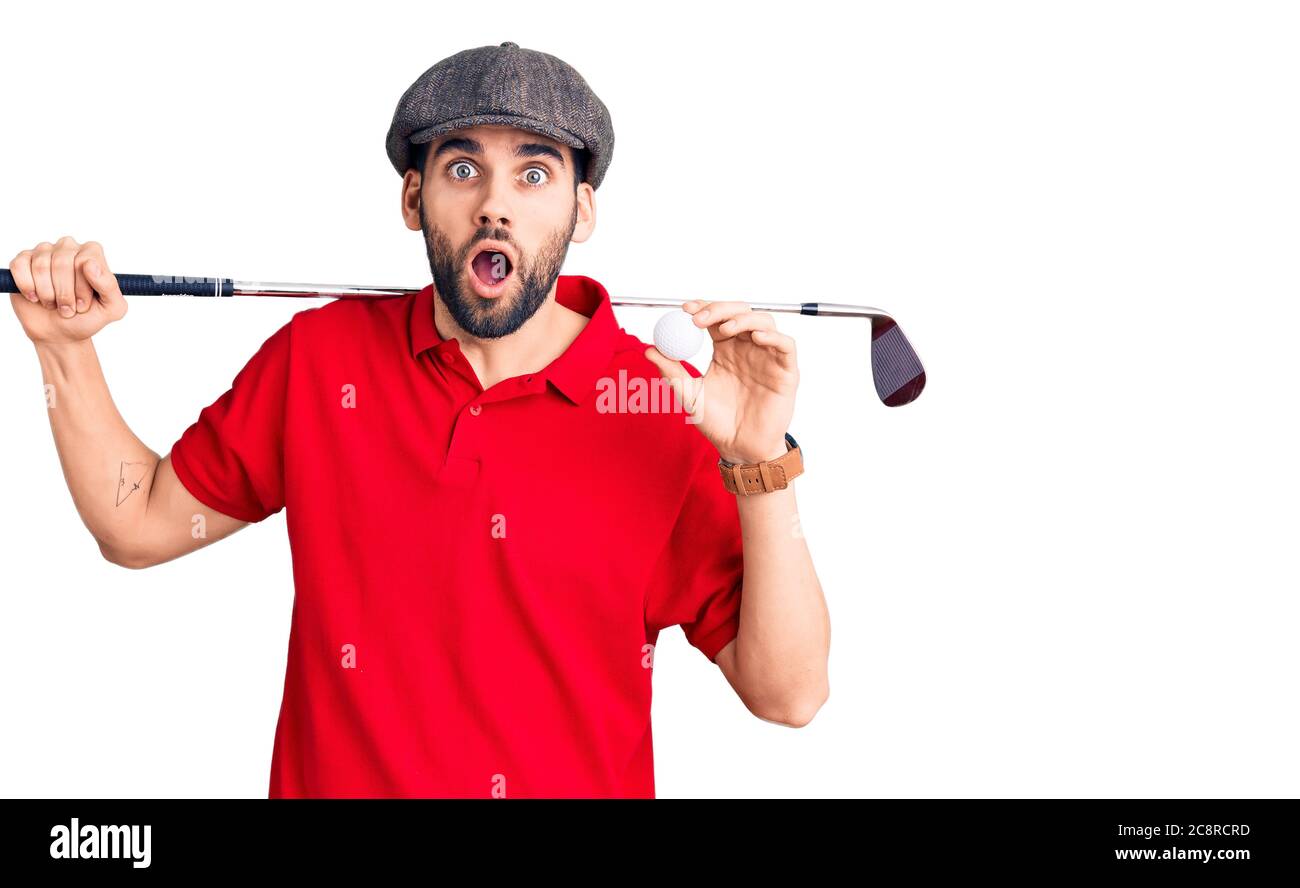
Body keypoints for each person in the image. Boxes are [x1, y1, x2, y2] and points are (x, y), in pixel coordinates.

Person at [6, 41, 829, 798]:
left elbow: (788, 695)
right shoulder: (320, 360)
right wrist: (64, 352)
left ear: (581, 211)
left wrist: (760, 463)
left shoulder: (664, 402)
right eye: (463, 169)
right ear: (414, 197)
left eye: (533, 174)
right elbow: (138, 523)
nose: (495, 206)